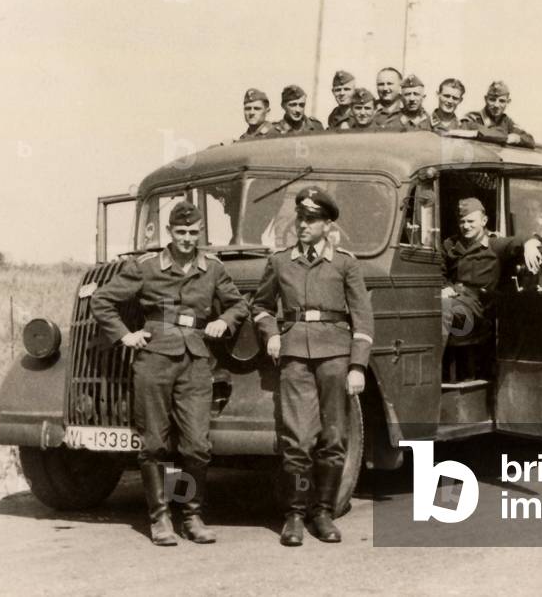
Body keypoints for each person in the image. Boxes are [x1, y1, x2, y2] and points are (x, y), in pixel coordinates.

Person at [91, 201, 249, 546]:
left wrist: (225, 320)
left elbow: (239, 304)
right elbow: (102, 299)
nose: (188, 239)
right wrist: (125, 335)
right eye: (181, 232)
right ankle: (160, 518)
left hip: (195, 360)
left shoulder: (213, 268)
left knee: (196, 446)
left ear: (200, 233)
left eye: (194, 233)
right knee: (155, 444)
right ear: (169, 233)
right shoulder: (146, 267)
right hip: (154, 359)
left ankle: (191, 516)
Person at [251, 187, 374, 547]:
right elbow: (259, 306)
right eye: (300, 219)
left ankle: (323, 512)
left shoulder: (345, 263)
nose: (303, 225)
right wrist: (271, 332)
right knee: (297, 439)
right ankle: (293, 514)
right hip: (294, 359)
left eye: (311, 219)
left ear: (327, 225)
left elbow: (363, 320)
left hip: (335, 357)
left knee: (333, 439)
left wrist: (357, 366)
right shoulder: (280, 261)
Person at [441, 197, 542, 381]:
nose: (466, 226)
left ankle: (434, 367)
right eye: (462, 221)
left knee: (443, 309)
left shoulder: (494, 245)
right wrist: (445, 286)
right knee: (435, 307)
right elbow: (438, 272)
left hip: (479, 308)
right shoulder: (450, 245)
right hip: (454, 300)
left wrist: (529, 244)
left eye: (471, 221)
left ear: (484, 221)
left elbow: (522, 239)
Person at [460, 81, 535, 148]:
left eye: (501, 101)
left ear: (508, 102)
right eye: (492, 100)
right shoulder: (472, 117)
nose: (496, 105)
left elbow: (530, 140)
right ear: (486, 99)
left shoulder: (506, 121)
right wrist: (505, 137)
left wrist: (517, 139)